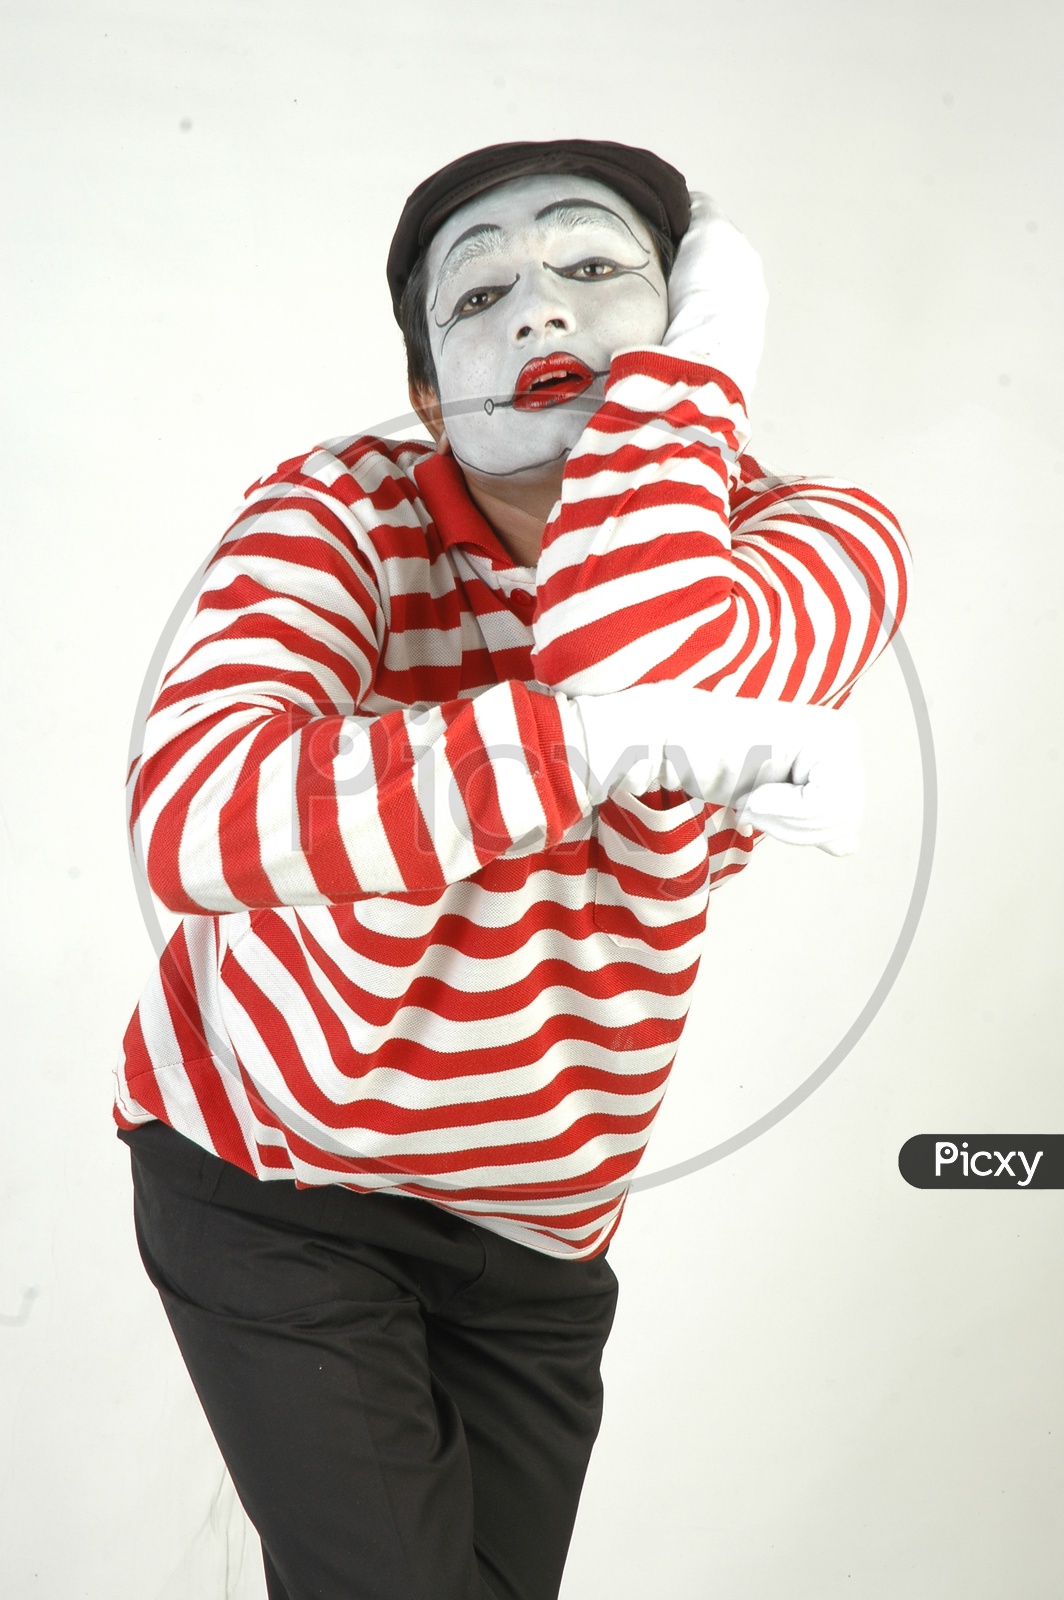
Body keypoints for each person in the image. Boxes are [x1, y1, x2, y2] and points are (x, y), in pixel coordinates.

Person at [116, 140, 909, 1600]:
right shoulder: (342, 511)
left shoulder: (822, 541)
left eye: (598, 272)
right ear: (429, 396)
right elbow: (193, 815)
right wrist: (611, 744)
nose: (538, 315)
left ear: (686, 341)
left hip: (542, 1232)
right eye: (477, 296)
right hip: (274, 1172)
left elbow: (638, 640)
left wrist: (694, 382)